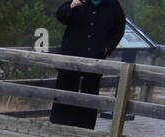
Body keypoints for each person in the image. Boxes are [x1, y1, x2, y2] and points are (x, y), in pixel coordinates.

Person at [50, 0, 128, 129]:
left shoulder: (112, 4)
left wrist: (107, 47)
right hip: (71, 57)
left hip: (95, 58)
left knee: (90, 94)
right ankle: (59, 130)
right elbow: (61, 17)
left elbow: (119, 27)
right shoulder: (77, 1)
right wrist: (71, 6)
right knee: (65, 91)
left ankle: (85, 131)